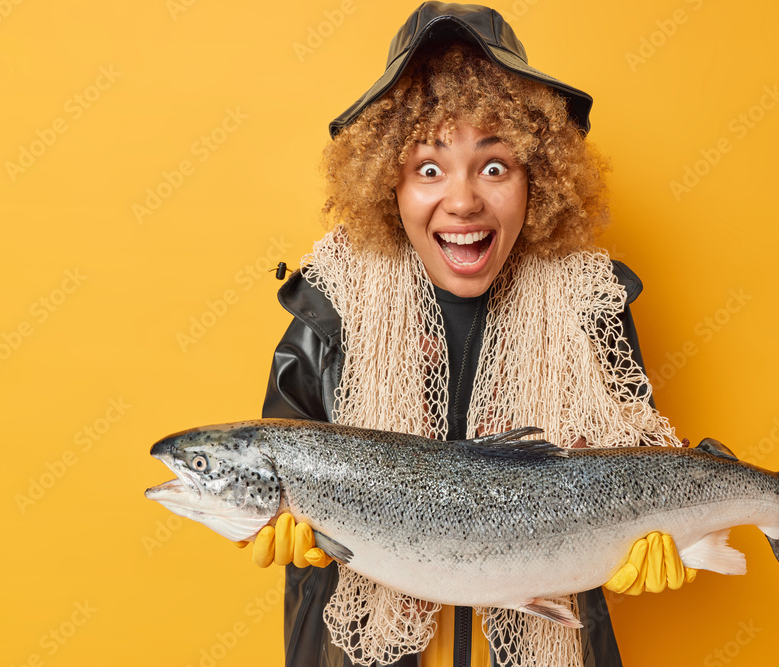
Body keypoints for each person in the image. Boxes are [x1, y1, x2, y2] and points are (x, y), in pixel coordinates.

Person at [251, 4, 693, 666]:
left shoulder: (588, 305)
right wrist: (264, 521)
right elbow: (265, 463)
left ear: (537, 178)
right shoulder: (332, 304)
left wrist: (668, 535)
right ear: (385, 181)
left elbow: (636, 465)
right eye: (429, 167)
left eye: (494, 166)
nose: (462, 201)